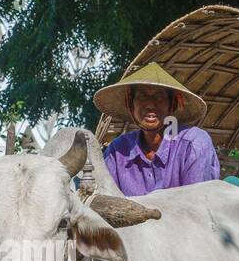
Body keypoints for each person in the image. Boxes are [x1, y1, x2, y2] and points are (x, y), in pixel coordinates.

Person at [93, 62, 220, 196]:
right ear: (130, 104)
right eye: (142, 97)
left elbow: (197, 205)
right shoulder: (117, 151)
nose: (150, 104)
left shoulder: (193, 143)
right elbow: (106, 200)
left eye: (159, 97)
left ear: (173, 104)